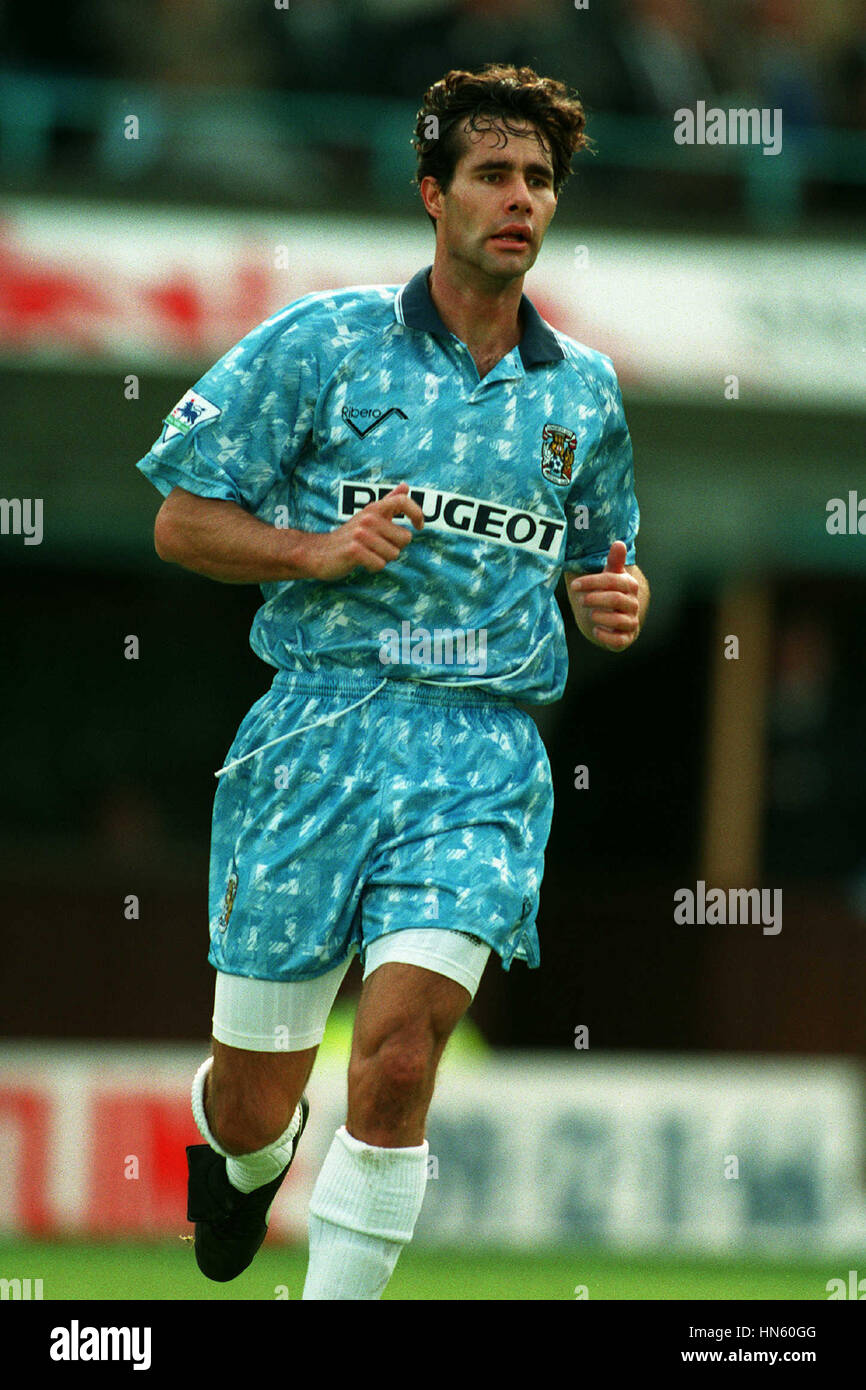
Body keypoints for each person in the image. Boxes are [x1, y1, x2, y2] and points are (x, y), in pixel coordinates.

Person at [136, 62, 649, 1301]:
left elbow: (603, 564)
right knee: (259, 1095)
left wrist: (609, 603)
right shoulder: (323, 342)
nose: (518, 198)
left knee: (404, 1049)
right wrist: (313, 548)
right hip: (312, 738)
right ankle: (247, 1159)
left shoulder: (582, 391)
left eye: (537, 179)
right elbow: (181, 523)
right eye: (491, 174)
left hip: (479, 750)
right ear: (432, 193)